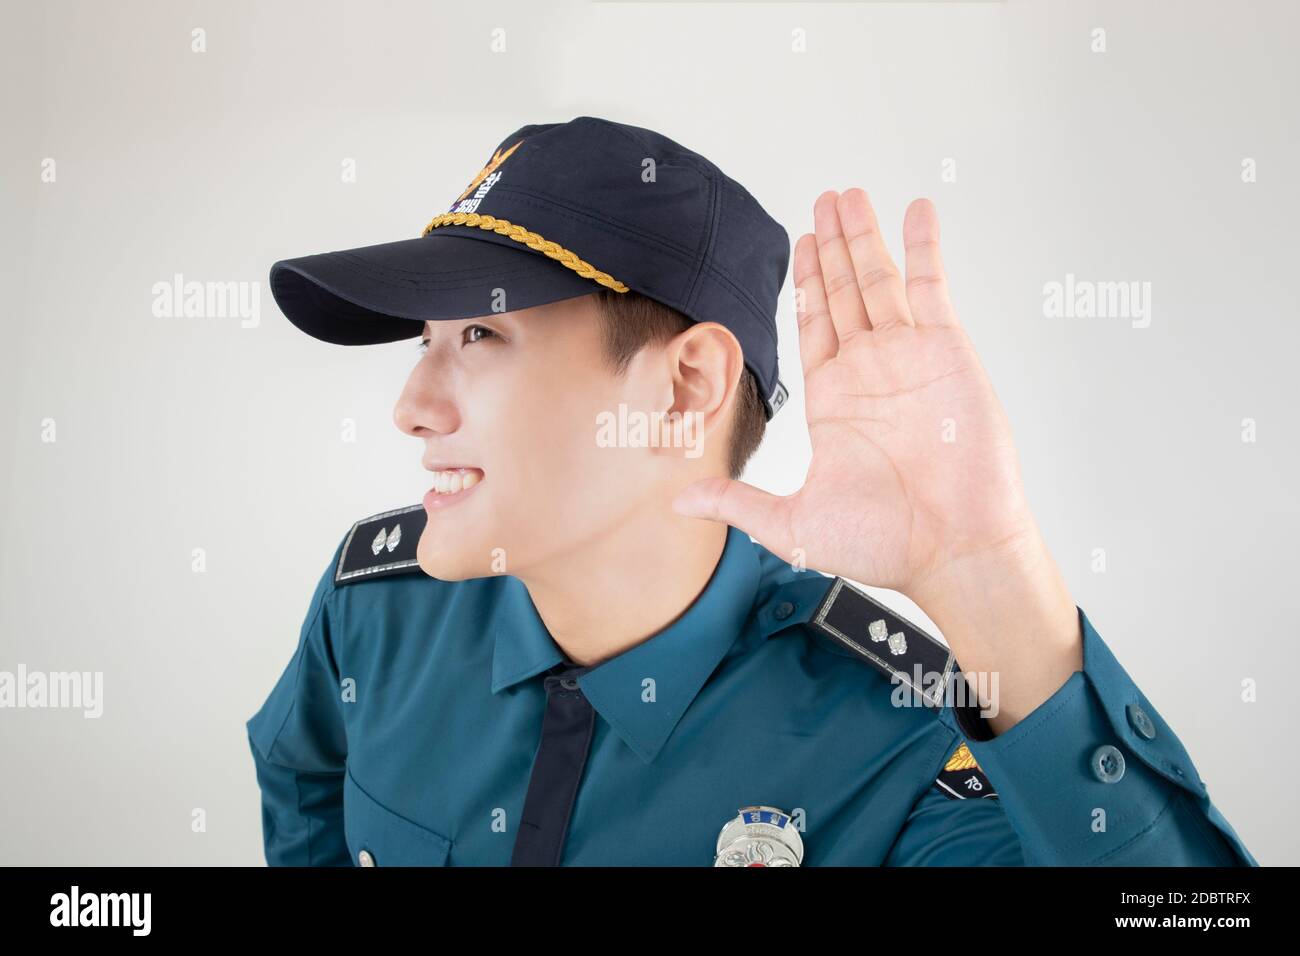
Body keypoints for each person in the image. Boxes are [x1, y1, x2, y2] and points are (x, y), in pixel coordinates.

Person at [246, 115, 1255, 866]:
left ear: (685, 385)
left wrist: (989, 576)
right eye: (425, 341)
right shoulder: (371, 614)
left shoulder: (895, 733)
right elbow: (303, 788)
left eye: (478, 334)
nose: (411, 406)